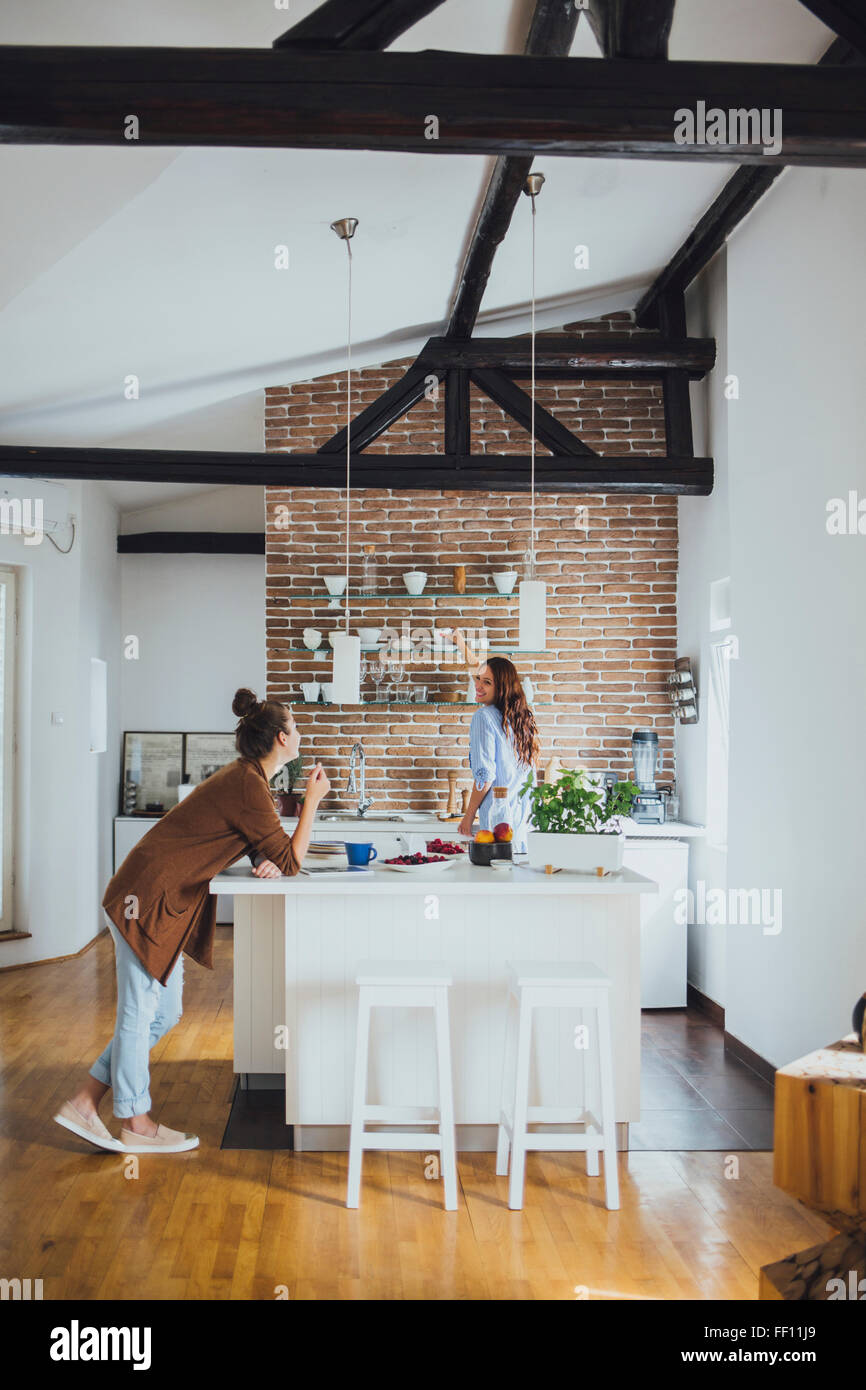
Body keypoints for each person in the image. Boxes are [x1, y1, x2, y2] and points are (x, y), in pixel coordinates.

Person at [54, 688, 330, 1155]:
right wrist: (311, 804)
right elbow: (291, 858)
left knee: (163, 1012)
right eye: (297, 728)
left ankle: (85, 1101)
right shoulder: (247, 784)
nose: (300, 734)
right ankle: (135, 1122)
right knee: (140, 1014)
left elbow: (270, 850)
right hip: (147, 897)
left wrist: (271, 857)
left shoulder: (249, 781)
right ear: (283, 739)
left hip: (157, 895)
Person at [446, 629, 540, 852]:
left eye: (486, 682)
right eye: (478, 679)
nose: (478, 685)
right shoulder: (521, 718)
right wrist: (460, 644)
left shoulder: (483, 717)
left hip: (497, 825)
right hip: (524, 824)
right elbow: (478, 673)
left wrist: (468, 817)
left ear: (501, 687)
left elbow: (485, 776)